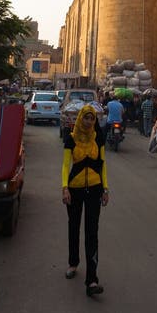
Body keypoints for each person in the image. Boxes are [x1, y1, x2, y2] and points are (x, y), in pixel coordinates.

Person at [61, 105, 109, 296]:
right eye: (87, 118)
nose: (90, 122)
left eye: (92, 118)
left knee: (92, 232)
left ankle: (92, 280)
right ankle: (73, 263)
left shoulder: (99, 139)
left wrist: (106, 188)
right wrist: (65, 188)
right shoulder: (71, 139)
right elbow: (66, 165)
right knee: (74, 226)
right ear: (81, 119)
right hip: (74, 190)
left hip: (95, 190)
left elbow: (102, 165)